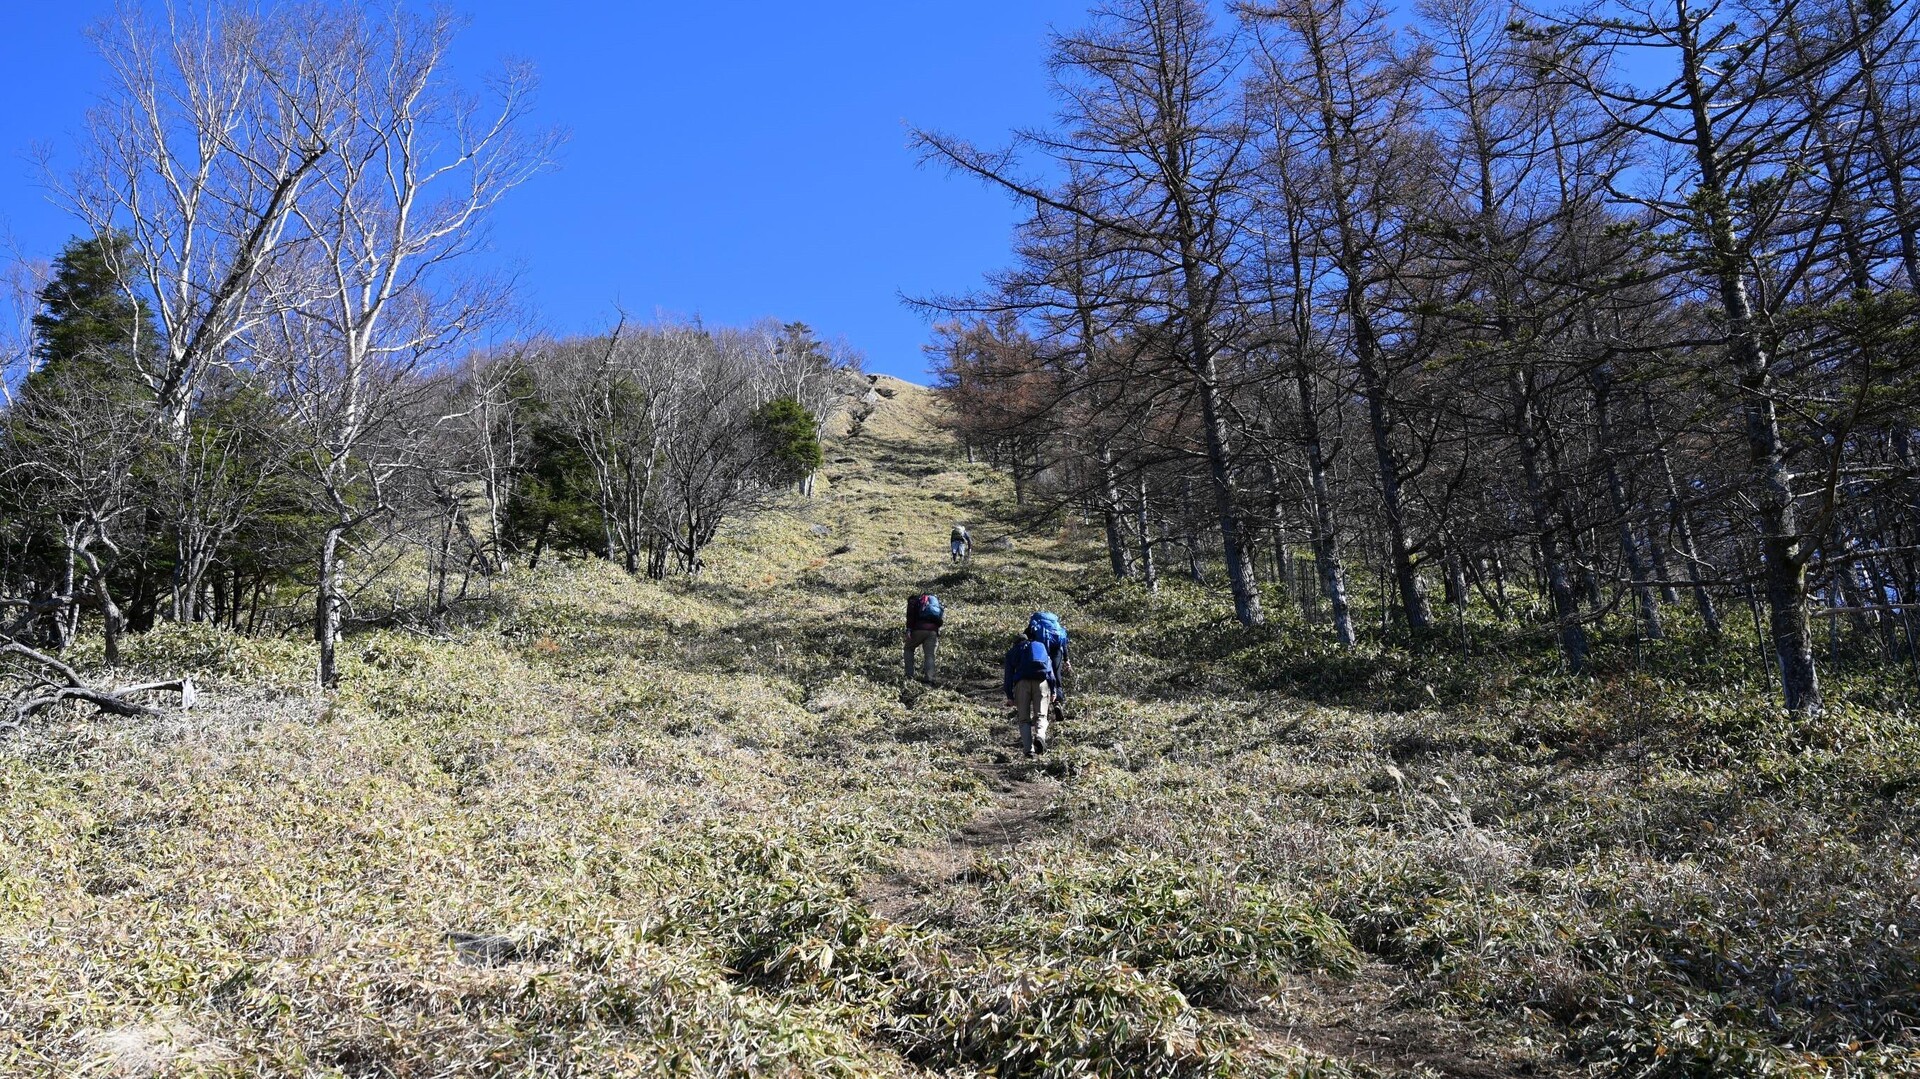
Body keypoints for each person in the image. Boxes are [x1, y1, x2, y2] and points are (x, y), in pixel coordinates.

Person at [1002, 627, 1059, 757]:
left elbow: (1008, 676)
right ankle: (1040, 736)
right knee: (1041, 716)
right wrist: (1054, 690)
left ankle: (1029, 750)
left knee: (1024, 719)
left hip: (1022, 684)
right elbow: (1050, 671)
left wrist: (1009, 695)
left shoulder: (1013, 651)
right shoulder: (1040, 648)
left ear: (1016, 642)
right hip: (1042, 683)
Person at [1026, 610, 1071, 718]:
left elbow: (1026, 642)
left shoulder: (1033, 626)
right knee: (1056, 676)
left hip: (1041, 651)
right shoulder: (1056, 627)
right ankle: (1057, 702)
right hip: (1057, 651)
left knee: (1043, 676)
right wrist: (1066, 660)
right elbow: (1063, 643)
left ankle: (1042, 708)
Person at [904, 592, 944, 682]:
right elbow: (940, 617)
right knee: (930, 655)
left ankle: (909, 676)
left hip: (918, 629)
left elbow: (910, 616)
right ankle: (929, 679)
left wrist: (909, 630)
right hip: (933, 631)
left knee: (908, 649)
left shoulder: (914, 600)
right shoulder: (935, 602)